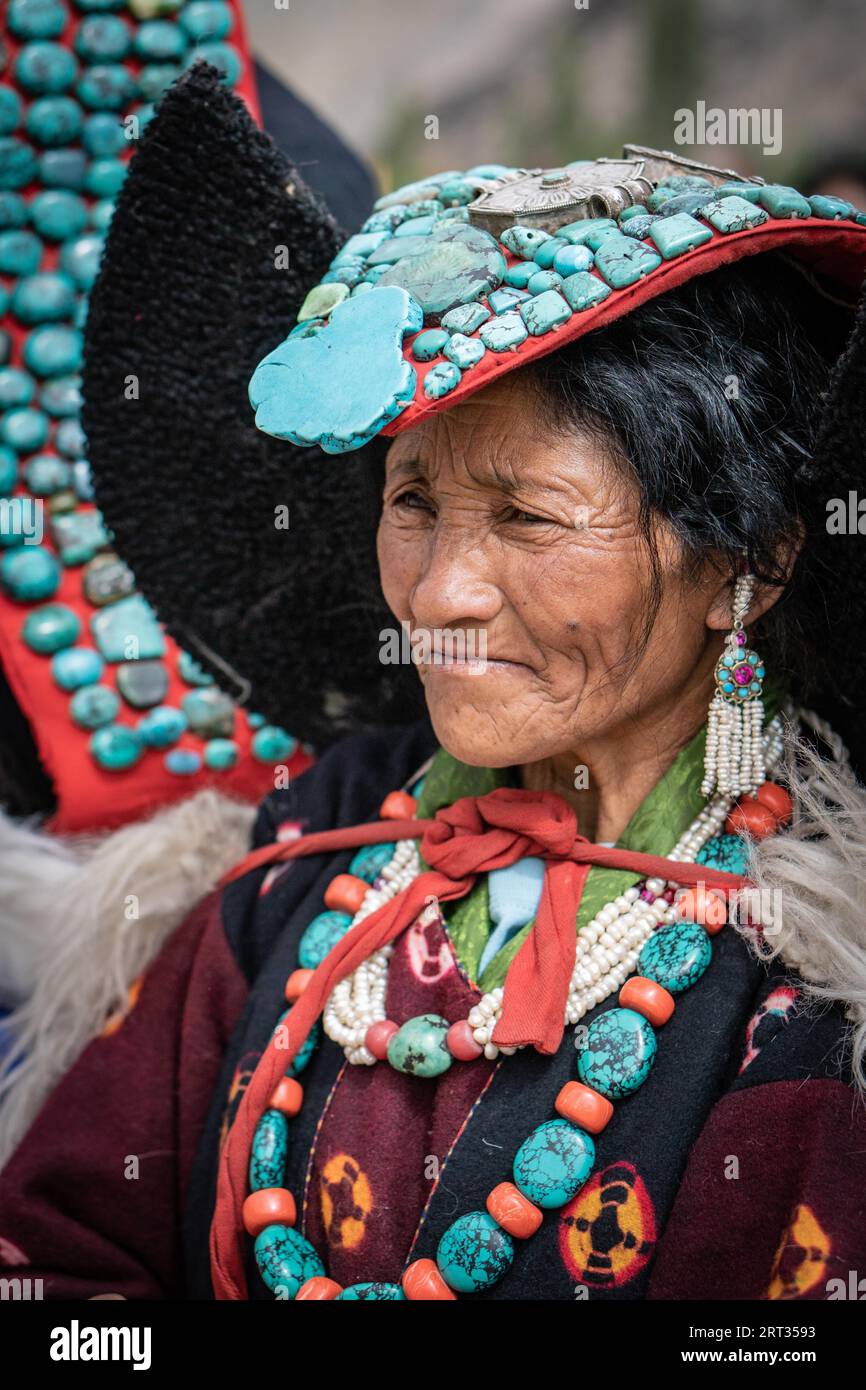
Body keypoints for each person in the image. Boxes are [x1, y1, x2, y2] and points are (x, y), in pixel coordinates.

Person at [1, 72, 865, 1302]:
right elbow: (54, 1263)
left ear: (751, 557)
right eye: (413, 501)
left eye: (527, 514)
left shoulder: (815, 978)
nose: (441, 593)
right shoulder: (305, 852)